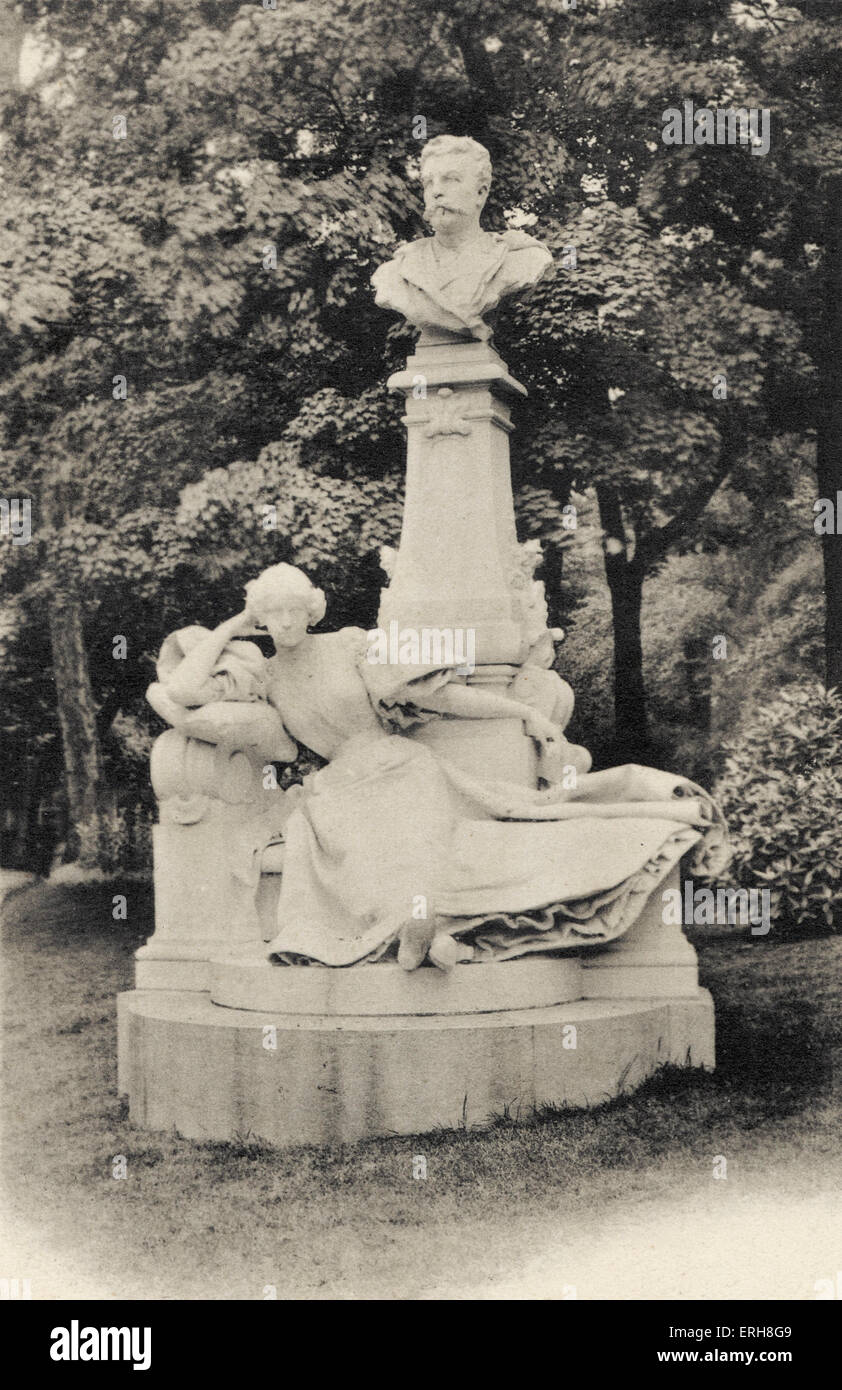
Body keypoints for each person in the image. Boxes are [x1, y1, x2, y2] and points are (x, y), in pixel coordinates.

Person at [149, 563, 727, 972]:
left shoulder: (352, 645)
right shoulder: (264, 677)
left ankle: (428, 934)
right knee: (360, 848)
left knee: (431, 844)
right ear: (261, 619)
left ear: (311, 609)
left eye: (294, 611)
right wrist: (232, 624)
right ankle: (425, 937)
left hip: (403, 766)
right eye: (272, 615)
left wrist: (524, 710)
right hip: (338, 787)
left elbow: (441, 698)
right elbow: (182, 688)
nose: (285, 624)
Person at [371, 134, 552, 341]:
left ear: (481, 193)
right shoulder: (395, 271)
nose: (436, 191)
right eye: (429, 183)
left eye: (450, 179)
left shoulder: (521, 259)